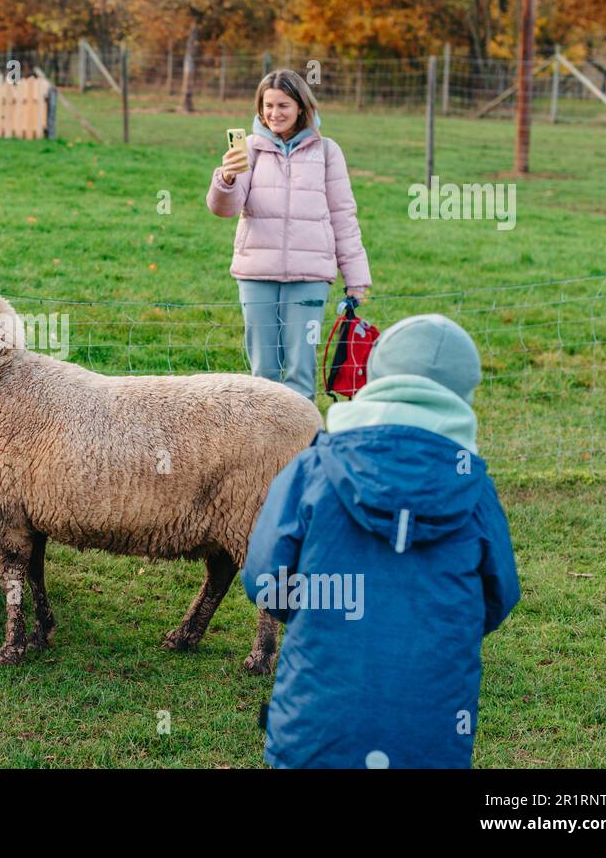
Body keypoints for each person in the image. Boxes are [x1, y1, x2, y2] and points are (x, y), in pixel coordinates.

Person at [242, 314, 521, 767]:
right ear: (464, 394)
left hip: (313, 730)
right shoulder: (475, 492)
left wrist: (322, 607)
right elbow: (498, 597)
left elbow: (264, 583)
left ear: (376, 377)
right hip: (430, 743)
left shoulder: (314, 470)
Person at [206, 69, 371, 399]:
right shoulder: (250, 150)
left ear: (301, 107)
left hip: (309, 277)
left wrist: (356, 278)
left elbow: (343, 216)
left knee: (300, 369)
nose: (274, 113)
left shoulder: (326, 152)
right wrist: (225, 177)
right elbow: (224, 208)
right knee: (263, 373)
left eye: (283, 105)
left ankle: (303, 445)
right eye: (267, 106)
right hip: (257, 275)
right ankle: (261, 447)